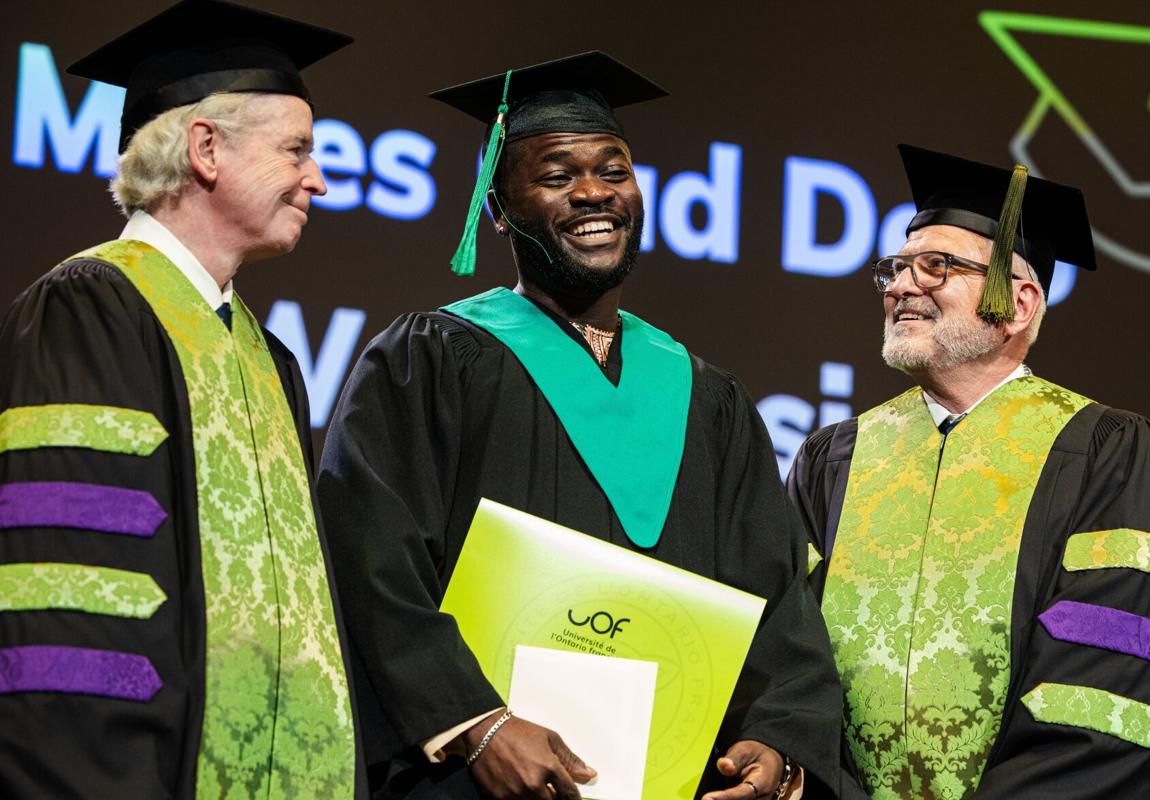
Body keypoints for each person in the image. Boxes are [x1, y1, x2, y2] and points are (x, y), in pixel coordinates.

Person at [318, 51, 841, 800]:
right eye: (558, 176)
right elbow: (370, 554)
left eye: (614, 171)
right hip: (479, 779)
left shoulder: (709, 398)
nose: (594, 192)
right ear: (499, 209)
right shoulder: (432, 360)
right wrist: (477, 722)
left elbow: (776, 591)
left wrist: (778, 738)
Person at [0, 1, 363, 797]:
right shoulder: (88, 309)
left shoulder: (270, 357)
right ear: (205, 149)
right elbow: (71, 597)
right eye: (297, 150)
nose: (318, 179)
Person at [787, 144, 1150, 799]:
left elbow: (1110, 697)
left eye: (936, 266)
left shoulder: (1109, 454)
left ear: (1019, 302)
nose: (900, 285)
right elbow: (790, 660)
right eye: (895, 267)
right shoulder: (833, 458)